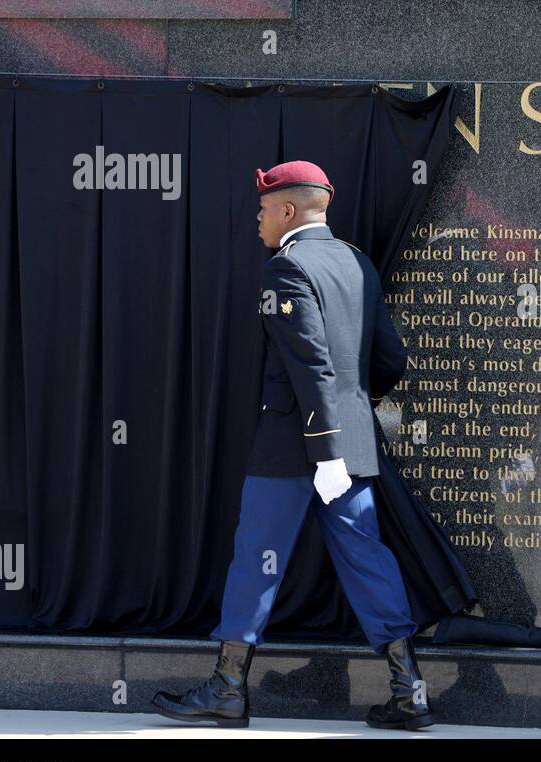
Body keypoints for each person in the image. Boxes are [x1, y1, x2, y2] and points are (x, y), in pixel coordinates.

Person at [152, 160, 431, 730]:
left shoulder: (287, 267)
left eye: (262, 209)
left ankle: (228, 690)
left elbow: (309, 363)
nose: (257, 219)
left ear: (287, 209)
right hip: (349, 444)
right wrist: (348, 423)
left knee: (256, 560)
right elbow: (389, 359)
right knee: (367, 559)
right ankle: (410, 691)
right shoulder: (356, 261)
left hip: (293, 446)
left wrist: (323, 448)